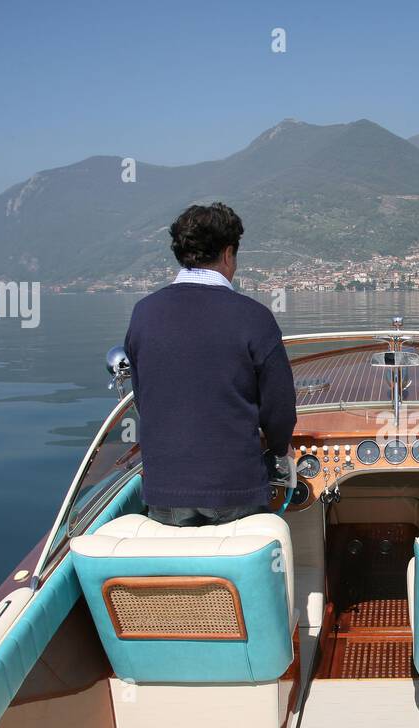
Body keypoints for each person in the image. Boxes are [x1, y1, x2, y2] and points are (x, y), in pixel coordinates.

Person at [123, 203, 296, 526]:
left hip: (163, 491)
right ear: (228, 254)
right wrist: (278, 449)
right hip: (235, 491)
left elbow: (143, 399)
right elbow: (279, 409)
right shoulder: (253, 317)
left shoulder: (144, 313)